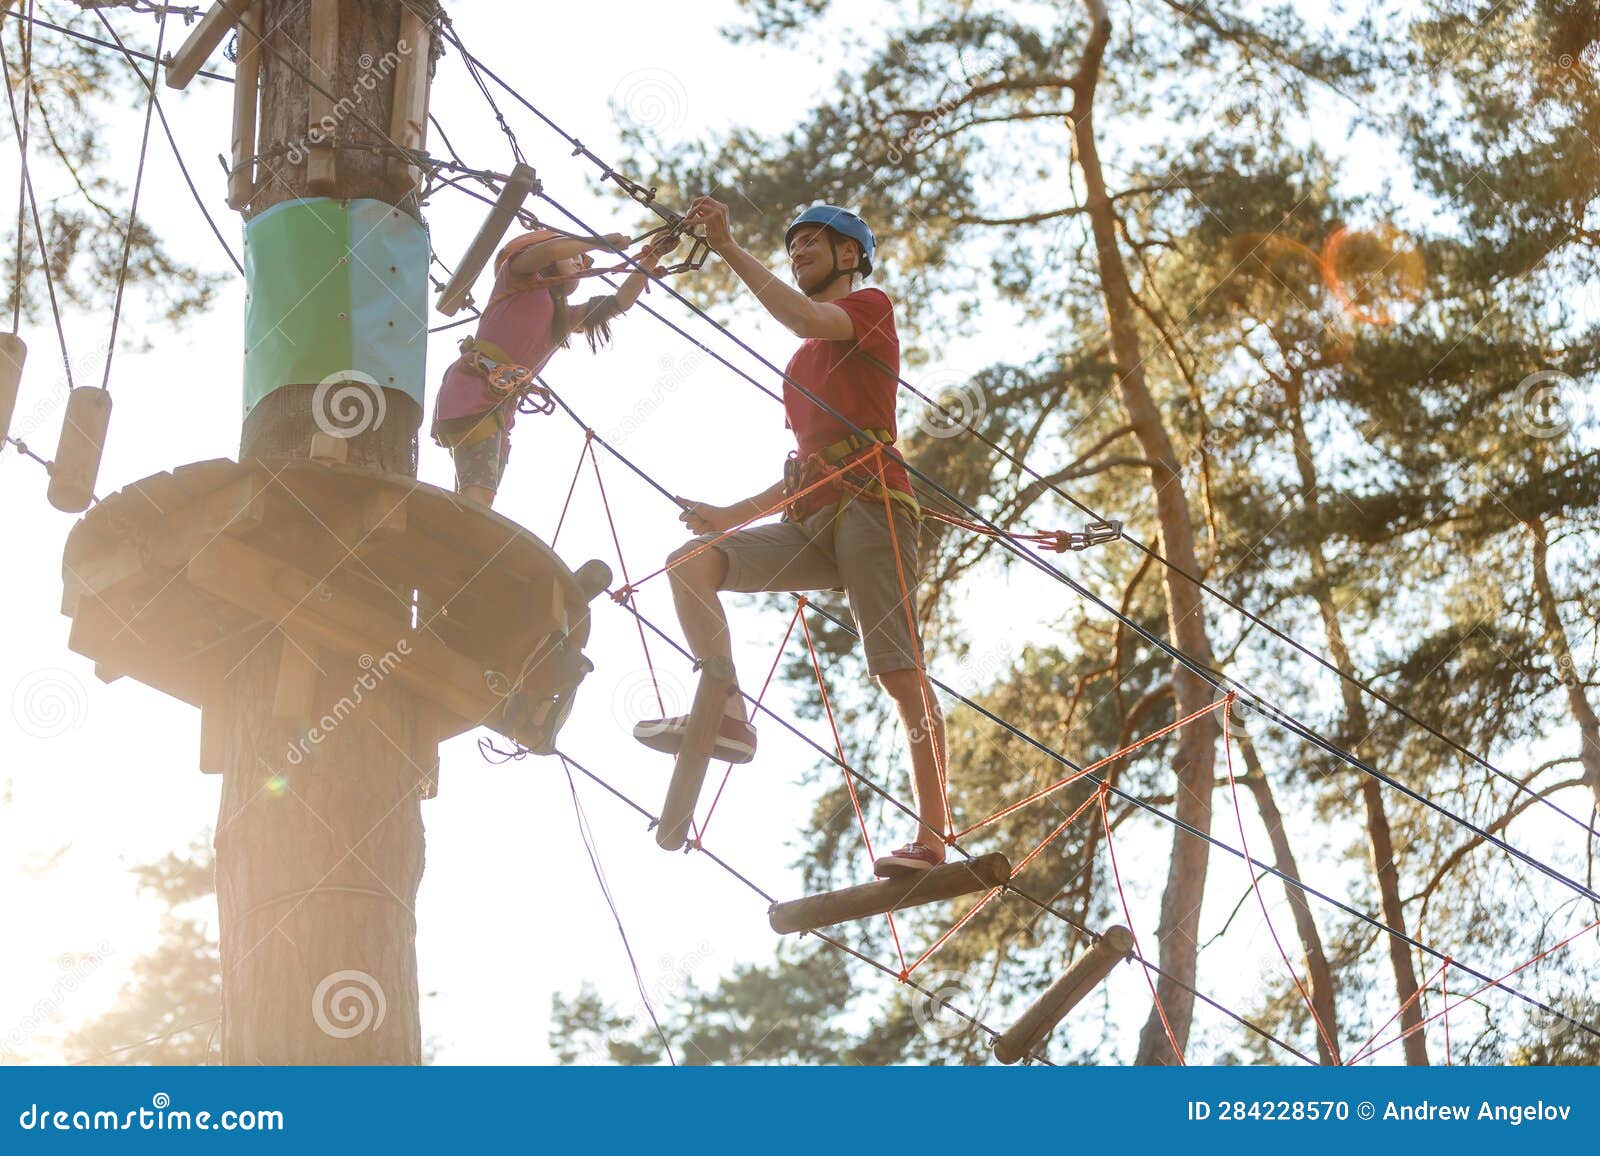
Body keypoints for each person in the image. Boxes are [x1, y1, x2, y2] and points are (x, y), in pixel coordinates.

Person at [632, 200, 948, 878]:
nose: (799, 250)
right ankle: (729, 716)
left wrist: (728, 247)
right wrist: (730, 516)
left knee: (897, 670)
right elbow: (806, 470)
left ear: (850, 256)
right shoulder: (800, 366)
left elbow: (806, 317)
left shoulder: (870, 309)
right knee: (689, 563)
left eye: (814, 242)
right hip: (813, 519)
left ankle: (933, 835)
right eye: (793, 242)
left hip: (874, 511)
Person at [432, 227, 666, 506]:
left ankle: (452, 534)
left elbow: (619, 302)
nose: (582, 262)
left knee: (480, 491)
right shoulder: (516, 276)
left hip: (497, 406)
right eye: (576, 256)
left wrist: (650, 259)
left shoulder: (562, 317)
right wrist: (594, 243)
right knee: (478, 490)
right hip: (473, 391)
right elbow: (547, 252)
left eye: (584, 259)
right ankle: (458, 533)